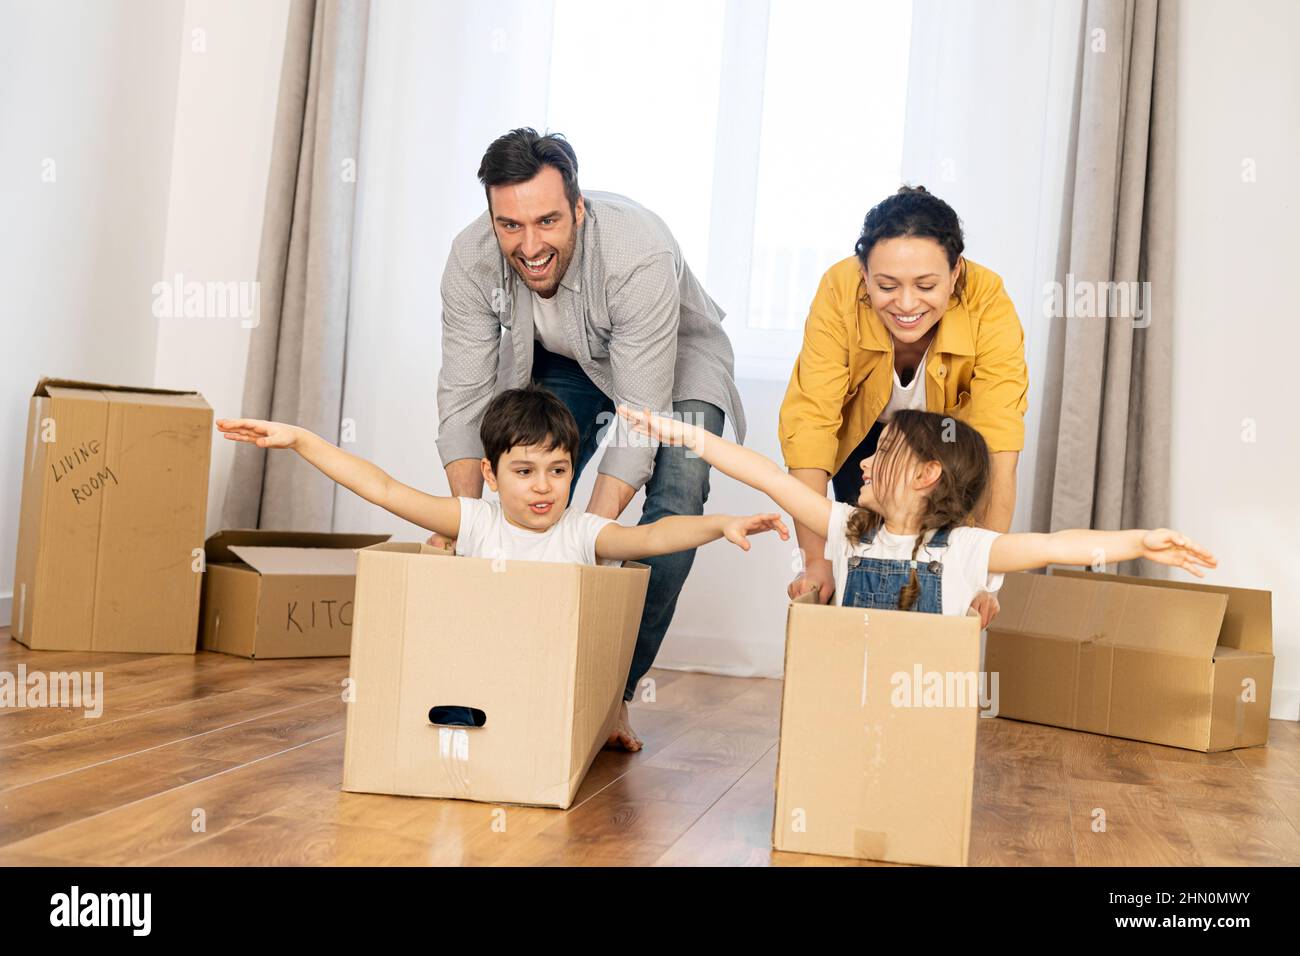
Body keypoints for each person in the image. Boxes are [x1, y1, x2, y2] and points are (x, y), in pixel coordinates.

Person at [435, 128, 747, 750]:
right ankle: (516, 678)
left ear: (578, 208)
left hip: (674, 358)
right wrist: (469, 521)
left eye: (548, 220)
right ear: (491, 217)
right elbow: (466, 398)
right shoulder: (471, 256)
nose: (530, 245)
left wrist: (590, 544)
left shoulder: (639, 253)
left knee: (678, 492)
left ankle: (612, 694)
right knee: (523, 494)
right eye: (510, 226)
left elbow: (639, 417)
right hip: (562, 359)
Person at [618, 405, 1216, 612]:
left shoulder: (968, 548)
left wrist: (1139, 542)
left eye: (883, 455)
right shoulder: (850, 530)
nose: (867, 466)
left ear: (928, 474)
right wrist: (687, 435)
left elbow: (1059, 545)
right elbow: (770, 477)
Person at [779, 186, 1029, 623]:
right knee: (859, 556)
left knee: (943, 567)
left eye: (927, 285)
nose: (907, 304)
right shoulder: (838, 291)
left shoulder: (989, 302)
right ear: (863, 274)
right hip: (861, 438)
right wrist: (815, 562)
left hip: (947, 441)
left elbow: (996, 449)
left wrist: (983, 582)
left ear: (956, 273)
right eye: (887, 286)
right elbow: (810, 429)